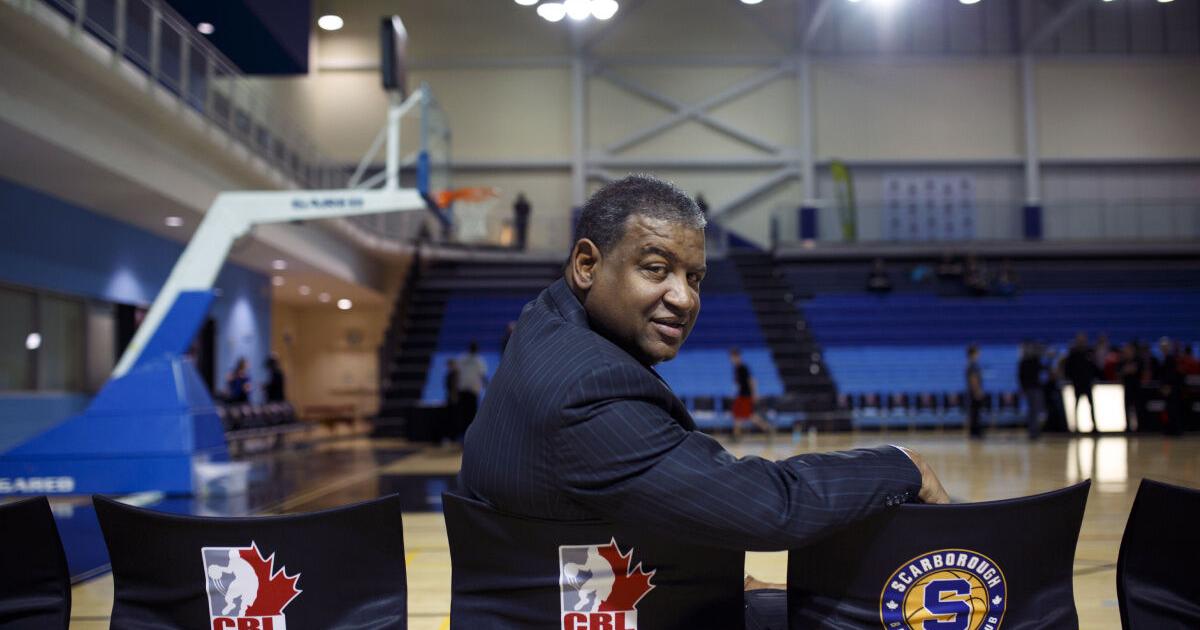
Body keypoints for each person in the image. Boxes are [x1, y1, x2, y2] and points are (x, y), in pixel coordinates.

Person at [459, 175, 948, 626]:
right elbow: (772, 511)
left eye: (694, 278)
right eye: (656, 270)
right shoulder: (589, 390)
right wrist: (902, 464)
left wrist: (706, 578)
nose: (685, 298)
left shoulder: (545, 321)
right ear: (587, 264)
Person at [728, 348, 775, 442]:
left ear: (736, 357)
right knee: (740, 415)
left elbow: (752, 381)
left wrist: (754, 393)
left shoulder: (743, 368)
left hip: (745, 395)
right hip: (741, 395)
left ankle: (766, 428)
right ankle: (736, 435)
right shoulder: (737, 368)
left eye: (732, 358)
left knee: (748, 416)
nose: (731, 360)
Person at [1065, 332, 1098, 433]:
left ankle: (1094, 426)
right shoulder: (1073, 353)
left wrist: (1093, 377)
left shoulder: (1089, 352)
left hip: (1087, 382)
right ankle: (1075, 426)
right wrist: (1071, 379)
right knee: (1077, 405)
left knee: (1091, 404)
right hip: (1077, 383)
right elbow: (1069, 368)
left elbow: (1093, 366)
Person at [455, 341, 488, 440]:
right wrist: (487, 387)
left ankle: (465, 435)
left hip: (465, 390)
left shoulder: (462, 358)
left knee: (464, 414)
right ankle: (467, 436)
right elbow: (482, 376)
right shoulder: (478, 360)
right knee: (469, 415)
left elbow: (456, 374)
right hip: (470, 391)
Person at [1018, 341, 1044, 439]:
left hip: (1034, 388)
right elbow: (1020, 377)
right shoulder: (1025, 362)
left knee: (1035, 411)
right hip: (1031, 389)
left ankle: (1035, 431)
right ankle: (1033, 432)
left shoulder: (1034, 360)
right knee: (1033, 411)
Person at [966, 344, 985, 438]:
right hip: (974, 392)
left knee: (974, 413)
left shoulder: (970, 364)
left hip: (972, 392)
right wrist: (977, 391)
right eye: (977, 352)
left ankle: (974, 432)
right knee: (975, 413)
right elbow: (973, 379)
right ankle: (976, 433)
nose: (979, 354)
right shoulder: (973, 365)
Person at [444, 358, 459, 446]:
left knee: (454, 418)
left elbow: (455, 386)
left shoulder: (456, 374)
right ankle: (451, 437)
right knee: (450, 418)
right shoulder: (449, 374)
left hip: (454, 399)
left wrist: (454, 396)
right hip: (450, 398)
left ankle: (454, 437)